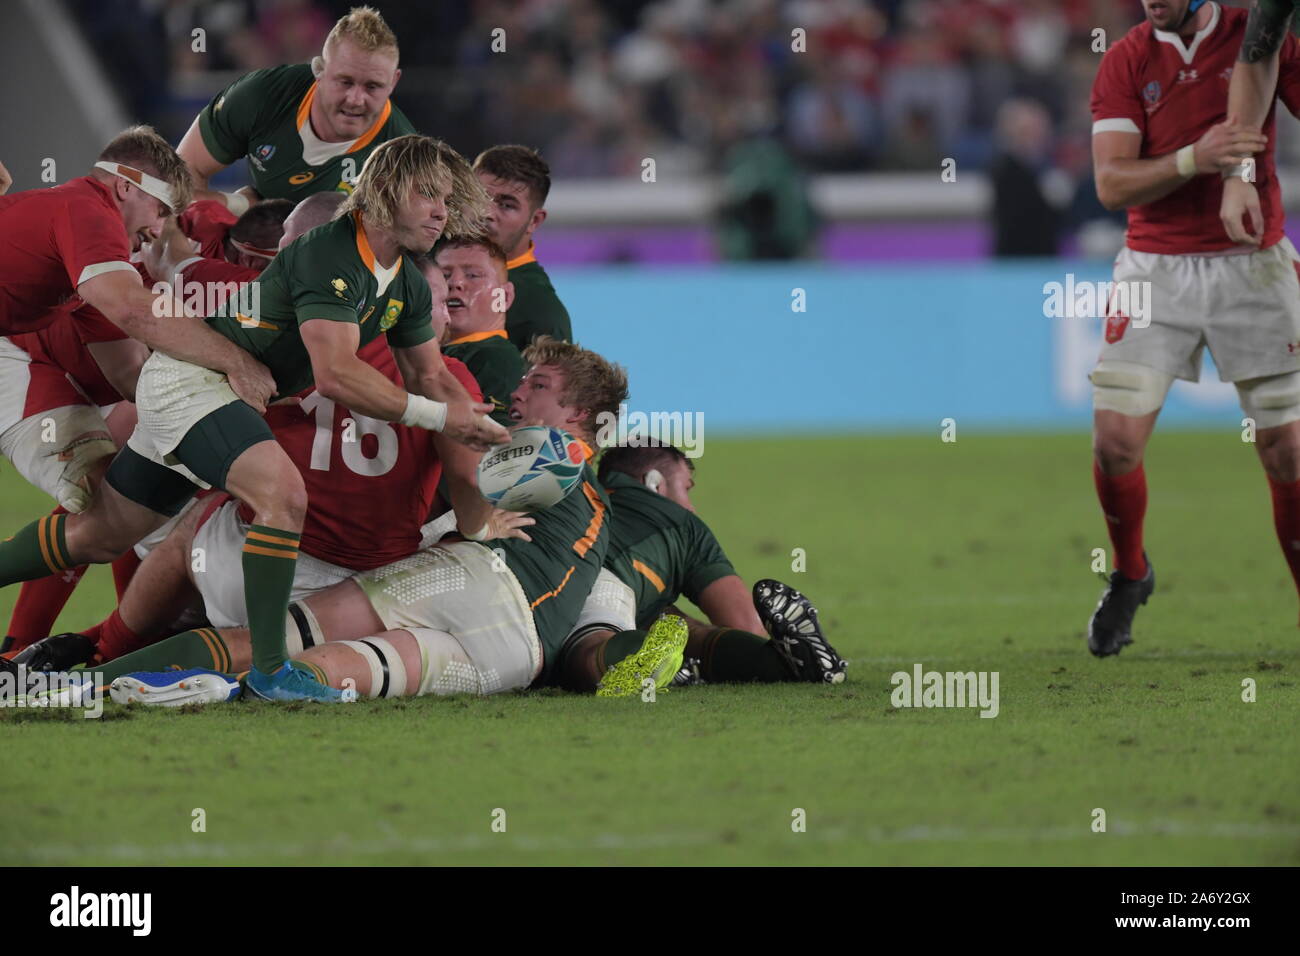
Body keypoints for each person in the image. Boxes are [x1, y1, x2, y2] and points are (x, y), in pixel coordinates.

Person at [0, 134, 506, 703]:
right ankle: (271, 672)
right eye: (427, 194)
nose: (441, 211)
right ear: (386, 190)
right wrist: (437, 417)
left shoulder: (406, 282)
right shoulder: (330, 251)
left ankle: (88, 651)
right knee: (282, 499)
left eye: (445, 198)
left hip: (210, 389)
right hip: (198, 383)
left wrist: (473, 426)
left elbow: (430, 375)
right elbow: (337, 375)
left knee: (98, 533)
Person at [1086, 0, 1295, 655]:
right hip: (1156, 270)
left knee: (1287, 452)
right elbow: (1112, 185)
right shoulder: (1125, 61)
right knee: (1115, 443)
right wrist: (1193, 159)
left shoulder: (1260, 34)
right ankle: (1129, 572)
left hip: (1253, 266)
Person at [555, 443, 847, 693]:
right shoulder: (682, 523)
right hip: (600, 593)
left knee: (669, 622)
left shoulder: (575, 501)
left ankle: (680, 665)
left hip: (543, 584)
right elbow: (745, 624)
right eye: (685, 488)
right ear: (654, 482)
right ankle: (790, 663)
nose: (691, 506)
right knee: (602, 645)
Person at [177, 5, 416, 211]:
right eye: (345, 82)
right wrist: (236, 210)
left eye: (372, 87)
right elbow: (179, 179)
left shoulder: (405, 157)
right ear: (319, 70)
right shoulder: (262, 95)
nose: (355, 99)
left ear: (393, 82)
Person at [473, 145, 572, 348]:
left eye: (507, 205)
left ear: (534, 221)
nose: (486, 213)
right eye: (478, 197)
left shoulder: (541, 314)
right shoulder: (424, 259)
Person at [435, 236, 524, 425]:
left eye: (473, 275)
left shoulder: (497, 361)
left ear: (505, 296)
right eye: (444, 275)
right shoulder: (418, 351)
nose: (455, 283)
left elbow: (493, 448)